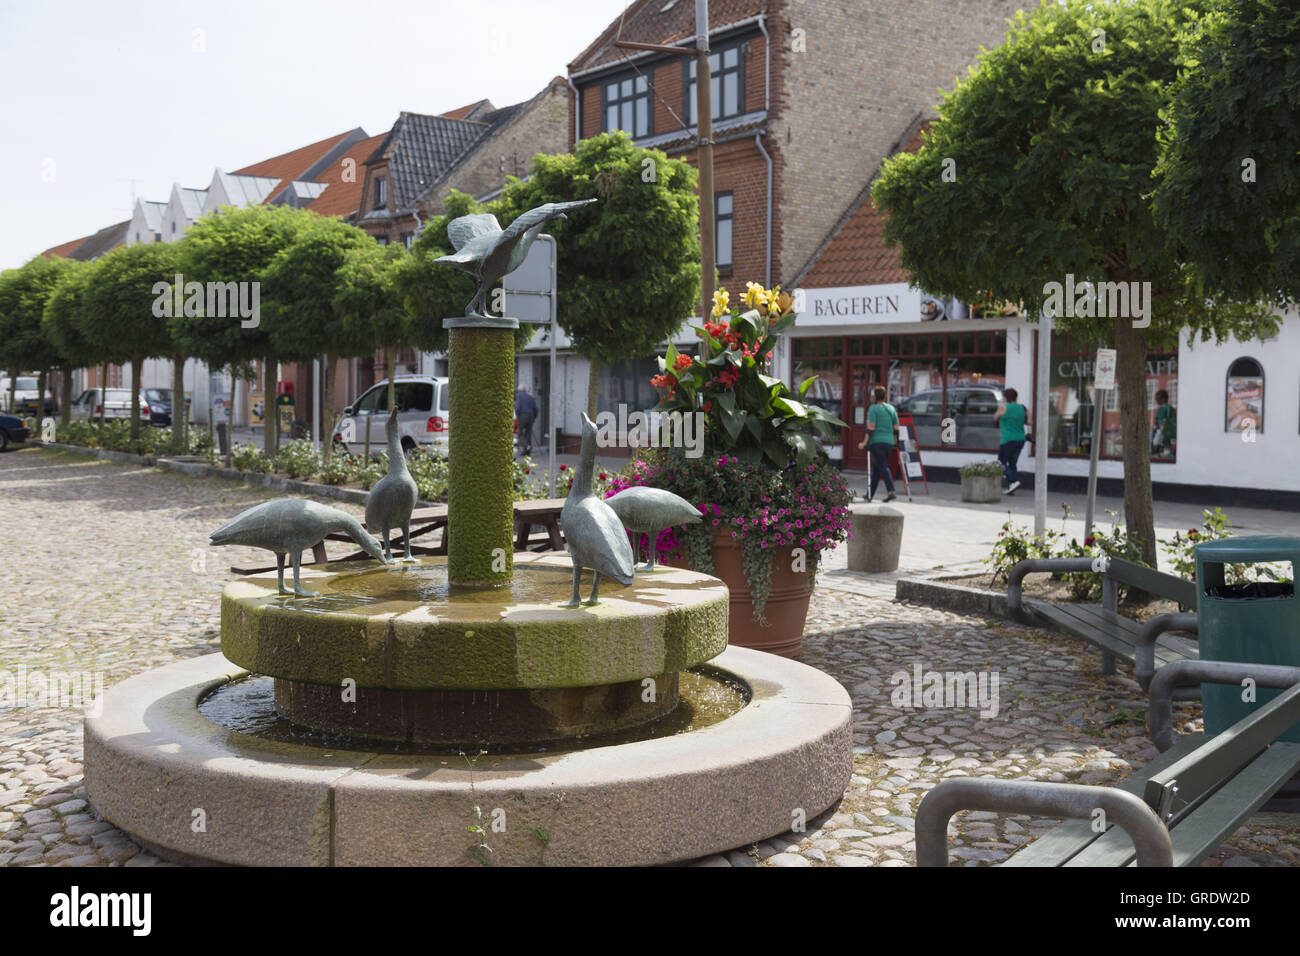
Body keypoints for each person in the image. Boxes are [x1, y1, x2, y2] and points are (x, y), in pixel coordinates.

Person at [857, 386, 899, 502]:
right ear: (885, 396)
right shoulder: (891, 408)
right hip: (889, 443)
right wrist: (895, 442)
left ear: (875, 396)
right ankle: (869, 494)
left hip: (877, 442)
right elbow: (896, 427)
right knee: (877, 468)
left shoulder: (873, 409)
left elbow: (871, 427)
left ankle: (891, 491)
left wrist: (864, 442)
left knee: (883, 466)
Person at [994, 387, 1033, 494]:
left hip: (1007, 439)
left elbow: (995, 418)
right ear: (1016, 397)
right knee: (1012, 463)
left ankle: (1014, 481)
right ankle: (1012, 486)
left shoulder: (1003, 408)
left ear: (1006, 398)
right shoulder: (1023, 408)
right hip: (1020, 439)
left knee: (1000, 463)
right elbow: (1030, 422)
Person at [514, 386, 538, 456]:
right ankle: (527, 451)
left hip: (522, 415)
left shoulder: (519, 396)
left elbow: (517, 407)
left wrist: (518, 415)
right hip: (531, 416)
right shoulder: (530, 397)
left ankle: (527, 445)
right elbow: (536, 409)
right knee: (528, 433)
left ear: (519, 390)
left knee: (520, 433)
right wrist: (534, 417)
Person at [1152, 389, 1176, 458]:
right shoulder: (1171, 408)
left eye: (1157, 399)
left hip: (1164, 435)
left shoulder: (1161, 409)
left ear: (1163, 399)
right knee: (1170, 453)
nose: (1156, 401)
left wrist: (1161, 432)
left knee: (1159, 450)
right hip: (1173, 434)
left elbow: (1161, 423)